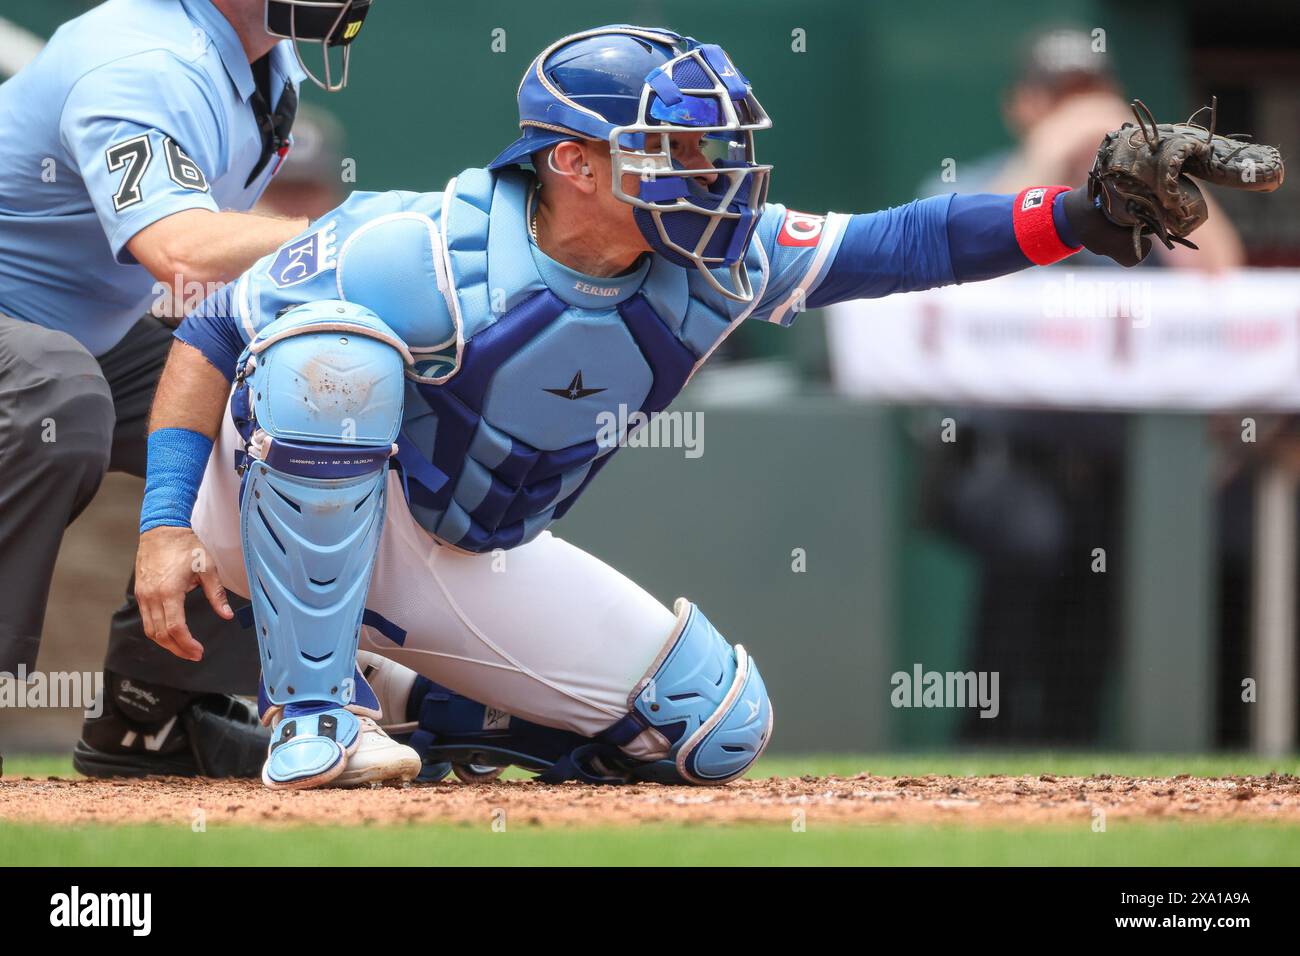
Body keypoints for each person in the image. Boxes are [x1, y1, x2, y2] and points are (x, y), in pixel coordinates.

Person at [131, 24, 1252, 789]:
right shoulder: (417, 245)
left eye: (719, 146)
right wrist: (167, 524)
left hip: (456, 547)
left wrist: (1078, 211)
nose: (715, 171)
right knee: (331, 355)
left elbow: (893, 242)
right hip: (280, 496)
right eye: (673, 149)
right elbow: (213, 331)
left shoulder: (714, 259)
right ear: (573, 162)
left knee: (713, 729)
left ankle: (409, 701)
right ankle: (313, 720)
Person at [0, 0, 373, 779]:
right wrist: (383, 231)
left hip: (77, 332)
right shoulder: (143, 60)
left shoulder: (264, 62)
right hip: (40, 346)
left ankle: (157, 709)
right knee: (57, 400)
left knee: (265, 408)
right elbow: (183, 252)